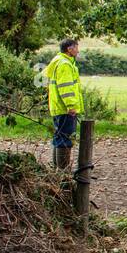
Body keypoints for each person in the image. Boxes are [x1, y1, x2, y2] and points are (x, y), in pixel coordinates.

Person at [45, 38, 85, 170]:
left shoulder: (58, 61)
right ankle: (63, 173)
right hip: (65, 109)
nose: (78, 50)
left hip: (58, 107)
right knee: (65, 140)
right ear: (69, 49)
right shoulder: (65, 64)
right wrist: (71, 106)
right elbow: (65, 88)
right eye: (76, 47)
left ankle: (57, 171)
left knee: (59, 138)